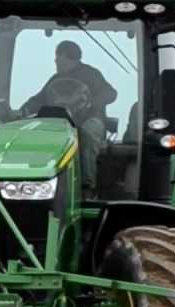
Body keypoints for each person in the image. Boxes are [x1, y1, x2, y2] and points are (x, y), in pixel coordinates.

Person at [18, 41, 117, 193]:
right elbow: (39, 99)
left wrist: (92, 103)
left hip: (89, 119)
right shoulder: (55, 79)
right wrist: (23, 110)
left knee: (88, 133)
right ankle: (37, 183)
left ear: (69, 58)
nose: (55, 62)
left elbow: (111, 93)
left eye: (58, 59)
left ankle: (87, 185)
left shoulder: (92, 74)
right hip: (61, 122)